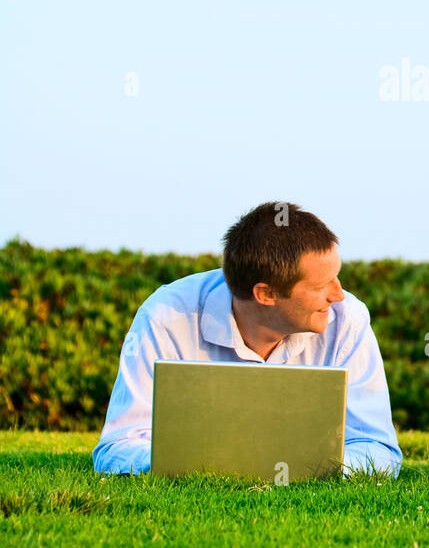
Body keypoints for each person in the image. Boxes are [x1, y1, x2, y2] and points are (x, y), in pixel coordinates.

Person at [93, 202, 402, 478]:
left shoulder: (348, 318)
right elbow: (120, 444)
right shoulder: (165, 318)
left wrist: (310, 469)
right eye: (321, 285)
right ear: (265, 294)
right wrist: (199, 467)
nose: (338, 294)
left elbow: (376, 445)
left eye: (337, 276)